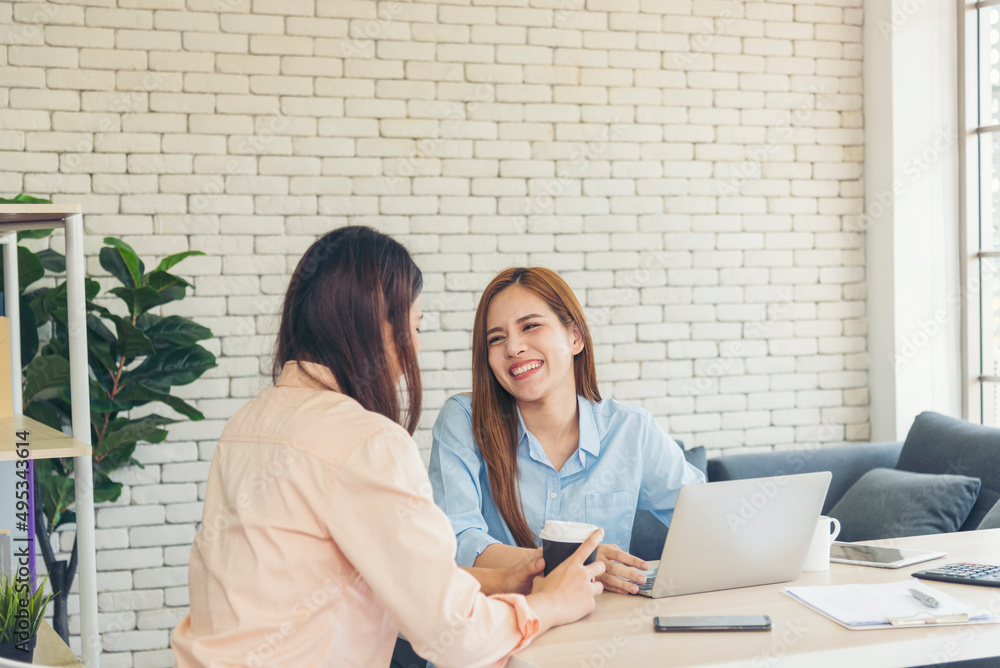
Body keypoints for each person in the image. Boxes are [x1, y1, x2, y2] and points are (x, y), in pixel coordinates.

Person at [171, 228, 605, 668]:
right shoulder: (364, 441)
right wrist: (552, 604)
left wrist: (502, 580)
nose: (414, 346)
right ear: (375, 326)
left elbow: (375, 571)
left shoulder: (247, 423)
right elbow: (456, 638)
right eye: (414, 327)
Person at [429, 267, 705, 596]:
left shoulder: (631, 430)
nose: (513, 347)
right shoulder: (463, 421)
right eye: (496, 338)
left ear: (575, 337)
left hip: (605, 618)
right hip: (506, 619)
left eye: (530, 326)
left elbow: (707, 521)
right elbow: (457, 541)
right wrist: (576, 561)